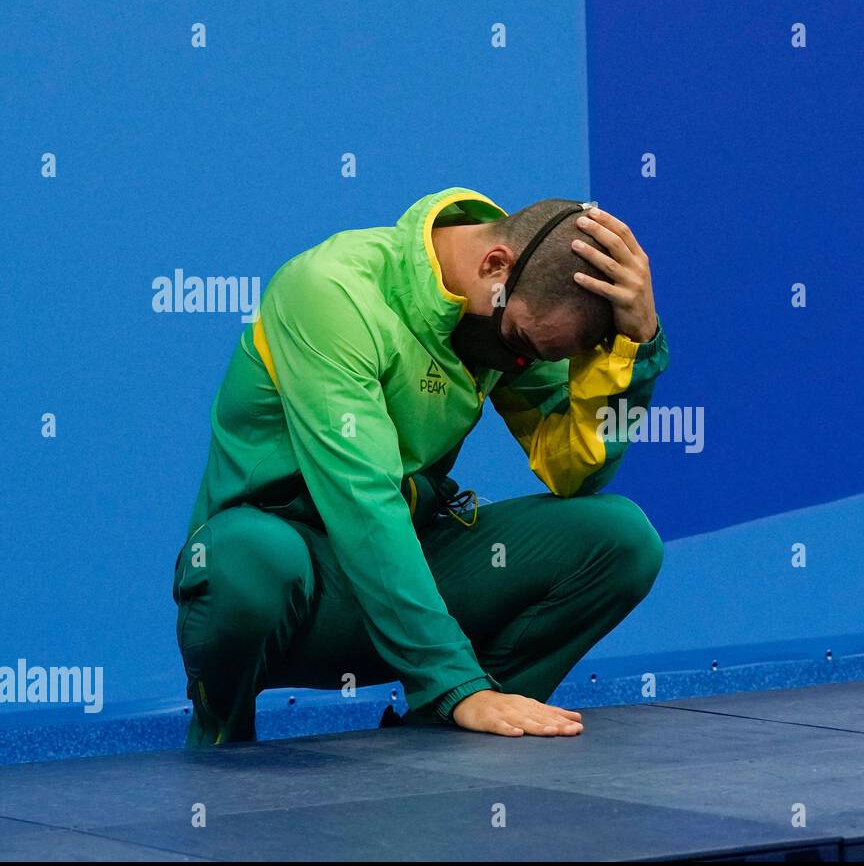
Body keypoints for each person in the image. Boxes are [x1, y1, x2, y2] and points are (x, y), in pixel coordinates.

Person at [171, 187, 668, 746]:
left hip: (407, 566)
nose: (522, 363)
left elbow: (574, 470)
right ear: (495, 266)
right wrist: (455, 682)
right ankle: (221, 749)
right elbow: (362, 499)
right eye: (522, 344)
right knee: (247, 557)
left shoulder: (510, 315)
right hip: (292, 590)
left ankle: (447, 739)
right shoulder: (332, 290)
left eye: (542, 357)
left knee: (620, 538)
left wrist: (636, 347)